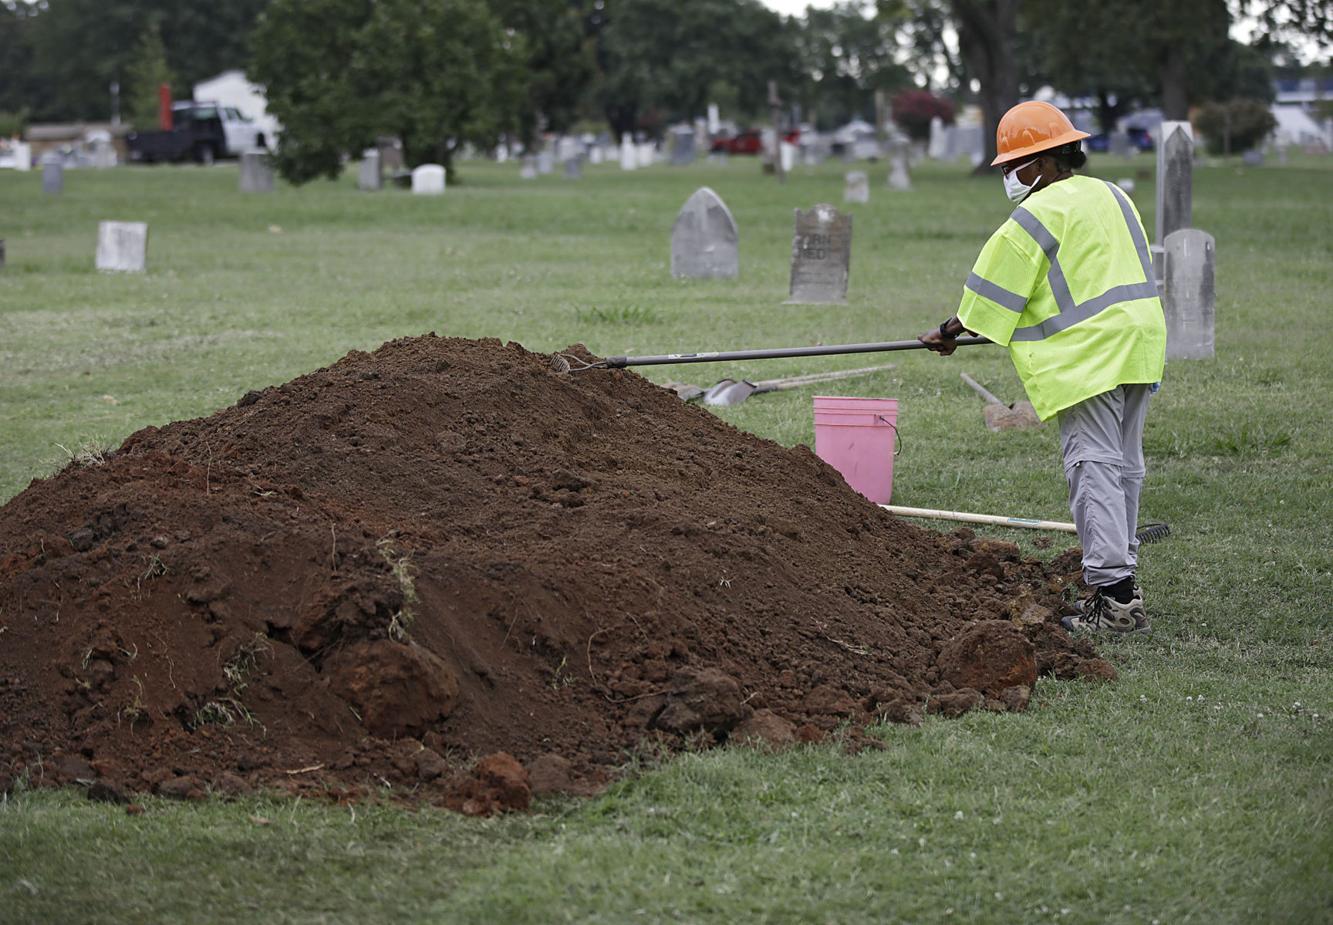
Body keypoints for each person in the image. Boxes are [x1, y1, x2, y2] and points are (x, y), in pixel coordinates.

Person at [919, 100, 1166, 635]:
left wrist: (947, 332)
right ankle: (1123, 583)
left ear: (1044, 160)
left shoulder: (1035, 215)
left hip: (1090, 355)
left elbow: (988, 299)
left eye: (1013, 165)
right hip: (1141, 341)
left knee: (1093, 466)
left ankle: (1115, 600)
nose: (1009, 175)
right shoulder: (1112, 194)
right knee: (1123, 465)